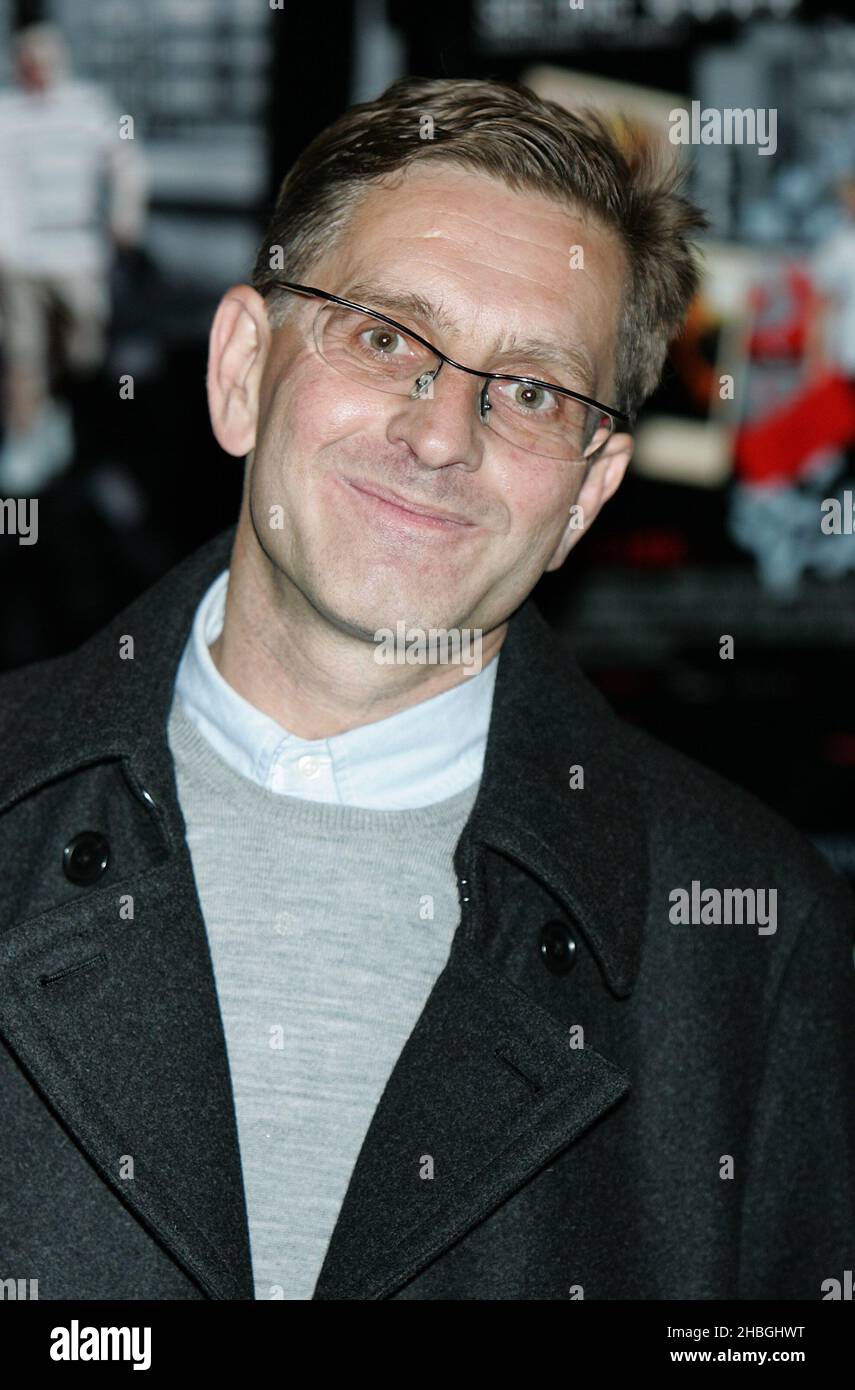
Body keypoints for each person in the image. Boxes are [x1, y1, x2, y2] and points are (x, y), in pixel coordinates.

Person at [0, 77, 852, 1302]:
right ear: (243, 366)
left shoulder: (757, 950)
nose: (444, 432)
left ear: (590, 492)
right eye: (386, 336)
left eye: (532, 392)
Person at [0, 22, 146, 493]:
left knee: (83, 349)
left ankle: (71, 421)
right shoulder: (7, 113)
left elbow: (125, 162)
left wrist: (126, 216)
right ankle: (26, 437)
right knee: (23, 352)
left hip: (76, 257)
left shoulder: (88, 108)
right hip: (19, 258)